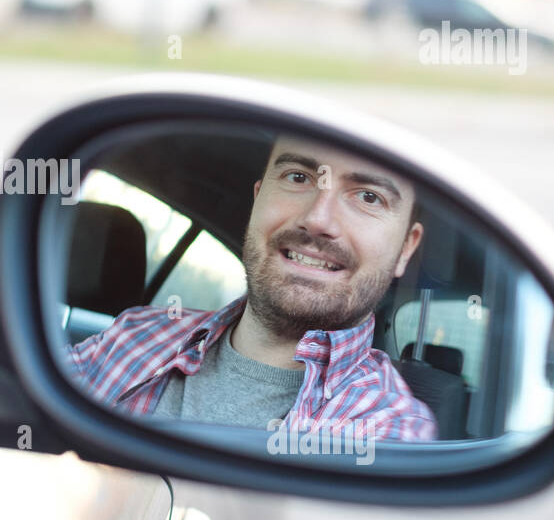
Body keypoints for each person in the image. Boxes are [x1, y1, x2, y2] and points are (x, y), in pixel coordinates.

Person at [68, 133, 438, 442]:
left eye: (368, 196)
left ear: (406, 247)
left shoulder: (393, 431)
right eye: (297, 177)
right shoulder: (132, 335)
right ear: (257, 199)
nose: (317, 219)